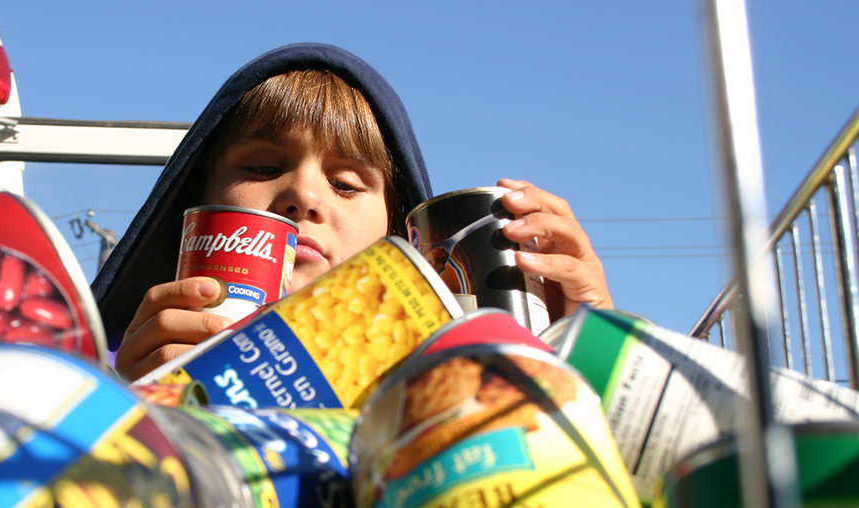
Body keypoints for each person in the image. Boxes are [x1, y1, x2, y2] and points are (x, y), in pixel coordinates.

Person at [91, 43, 612, 380]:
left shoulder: (444, 392)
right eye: (262, 167)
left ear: (402, 238)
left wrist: (590, 359)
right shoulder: (90, 383)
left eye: (345, 183)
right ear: (194, 208)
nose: (304, 195)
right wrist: (135, 421)